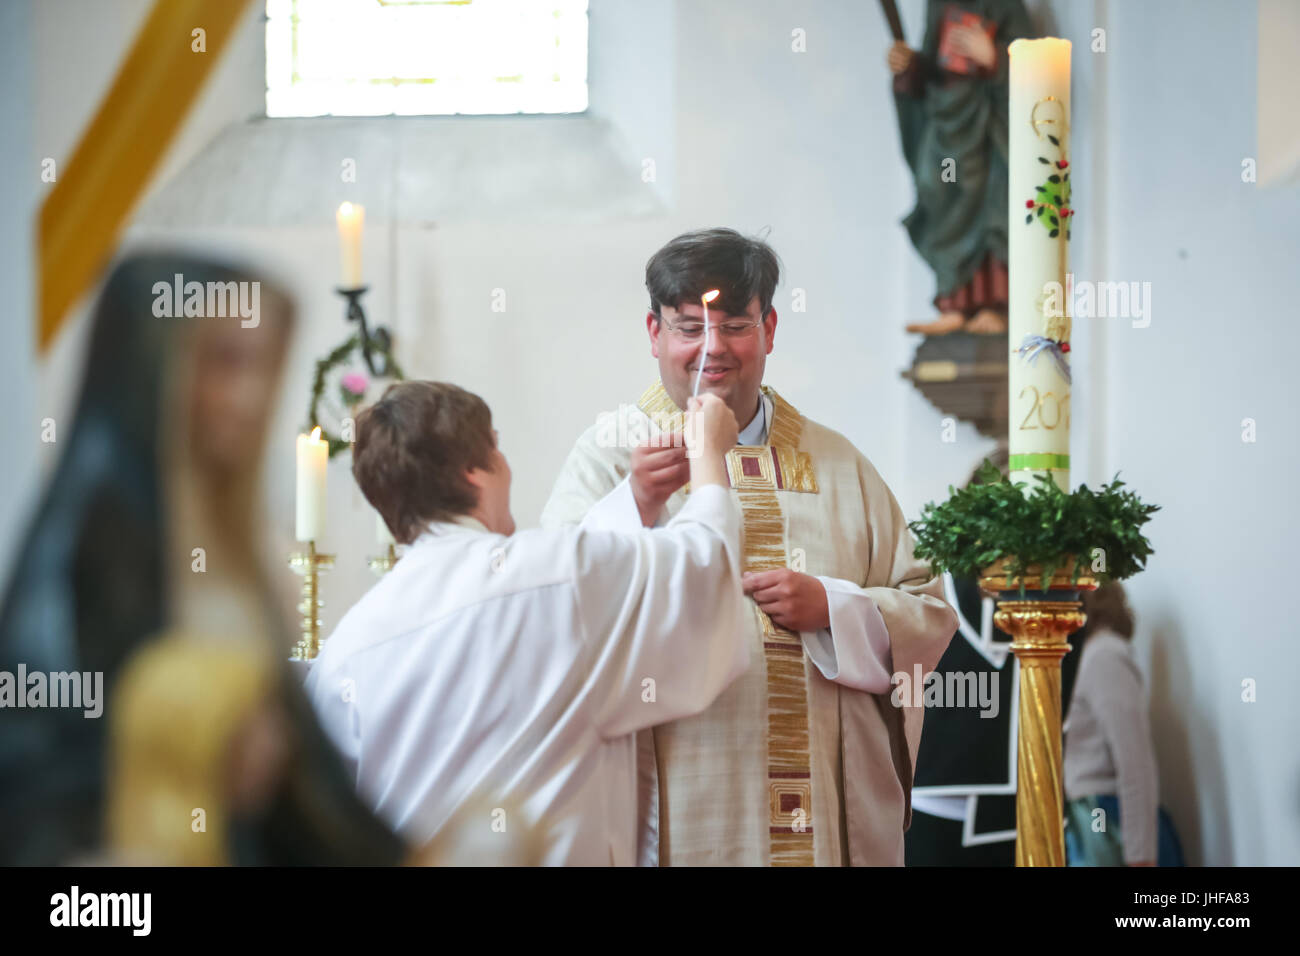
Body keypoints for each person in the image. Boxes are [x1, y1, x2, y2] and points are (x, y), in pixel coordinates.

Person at [541, 228, 959, 866]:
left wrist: (834, 610)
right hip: (675, 805)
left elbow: (927, 612)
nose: (712, 349)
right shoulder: (610, 456)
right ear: (653, 333)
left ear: (768, 329)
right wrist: (631, 507)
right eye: (688, 327)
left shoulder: (839, 464)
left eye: (734, 325)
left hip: (817, 811)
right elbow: (552, 608)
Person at [0, 253, 405, 866]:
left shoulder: (231, 540)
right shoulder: (96, 539)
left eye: (265, 367)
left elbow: (310, 790)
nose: (249, 396)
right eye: (225, 362)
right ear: (154, 365)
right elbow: (43, 771)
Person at [305, 381, 751, 866]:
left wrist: (637, 498)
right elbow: (704, 574)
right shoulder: (558, 575)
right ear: (475, 471)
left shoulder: (345, 650)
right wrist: (709, 456)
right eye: (497, 448)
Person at [889, 0, 1035, 336]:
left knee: (990, 204)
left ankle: (993, 305)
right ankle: (953, 300)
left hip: (987, 123)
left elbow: (1038, 71)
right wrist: (908, 65)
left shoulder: (1007, 5)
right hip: (946, 122)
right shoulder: (938, 4)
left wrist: (995, 57)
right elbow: (928, 66)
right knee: (938, 190)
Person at [1064, 582, 1185, 866]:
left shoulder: (1103, 655)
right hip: (1093, 820)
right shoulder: (1086, 655)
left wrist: (1140, 856)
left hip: (1110, 823)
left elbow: (1135, 764)